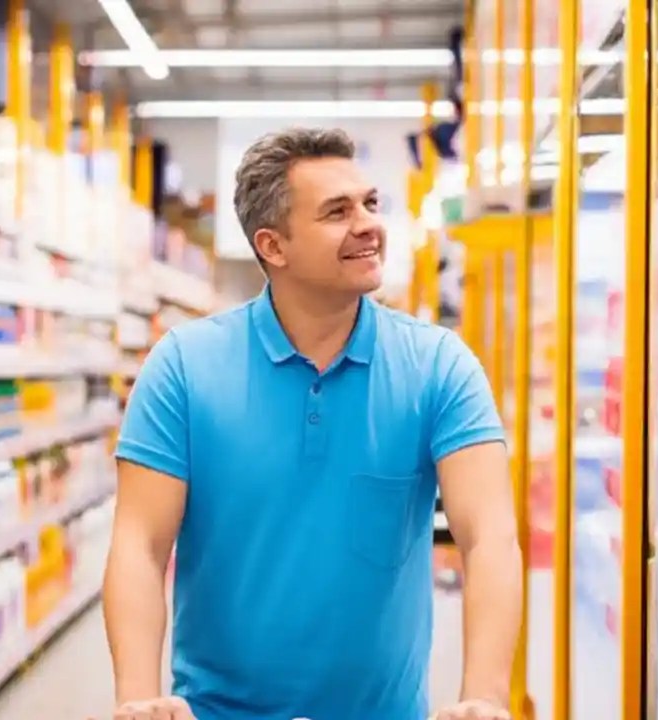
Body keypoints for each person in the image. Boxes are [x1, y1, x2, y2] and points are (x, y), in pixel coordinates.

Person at [103, 127, 522, 720]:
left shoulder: (439, 366)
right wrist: (138, 700)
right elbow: (140, 545)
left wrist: (484, 696)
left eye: (371, 204)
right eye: (337, 212)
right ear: (273, 246)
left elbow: (489, 539)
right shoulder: (183, 367)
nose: (369, 225)